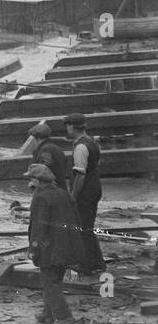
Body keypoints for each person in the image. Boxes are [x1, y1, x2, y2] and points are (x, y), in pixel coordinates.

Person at [25, 164, 85, 324]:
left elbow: (39, 227)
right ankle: (48, 313)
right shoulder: (63, 193)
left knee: (49, 281)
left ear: (37, 181)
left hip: (50, 247)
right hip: (68, 244)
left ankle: (64, 317)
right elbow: (77, 219)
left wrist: (33, 249)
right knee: (55, 279)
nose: (29, 183)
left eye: (30, 179)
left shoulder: (41, 198)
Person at [64, 113, 106, 274]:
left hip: (85, 191)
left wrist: (73, 197)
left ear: (71, 127)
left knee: (82, 228)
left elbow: (80, 175)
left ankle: (87, 264)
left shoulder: (80, 147)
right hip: (95, 187)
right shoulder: (92, 142)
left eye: (67, 126)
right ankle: (97, 262)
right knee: (87, 227)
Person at [22, 122, 69, 189]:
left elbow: (44, 169)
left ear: (36, 138)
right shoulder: (55, 147)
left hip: (51, 188)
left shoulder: (45, 149)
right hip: (61, 186)